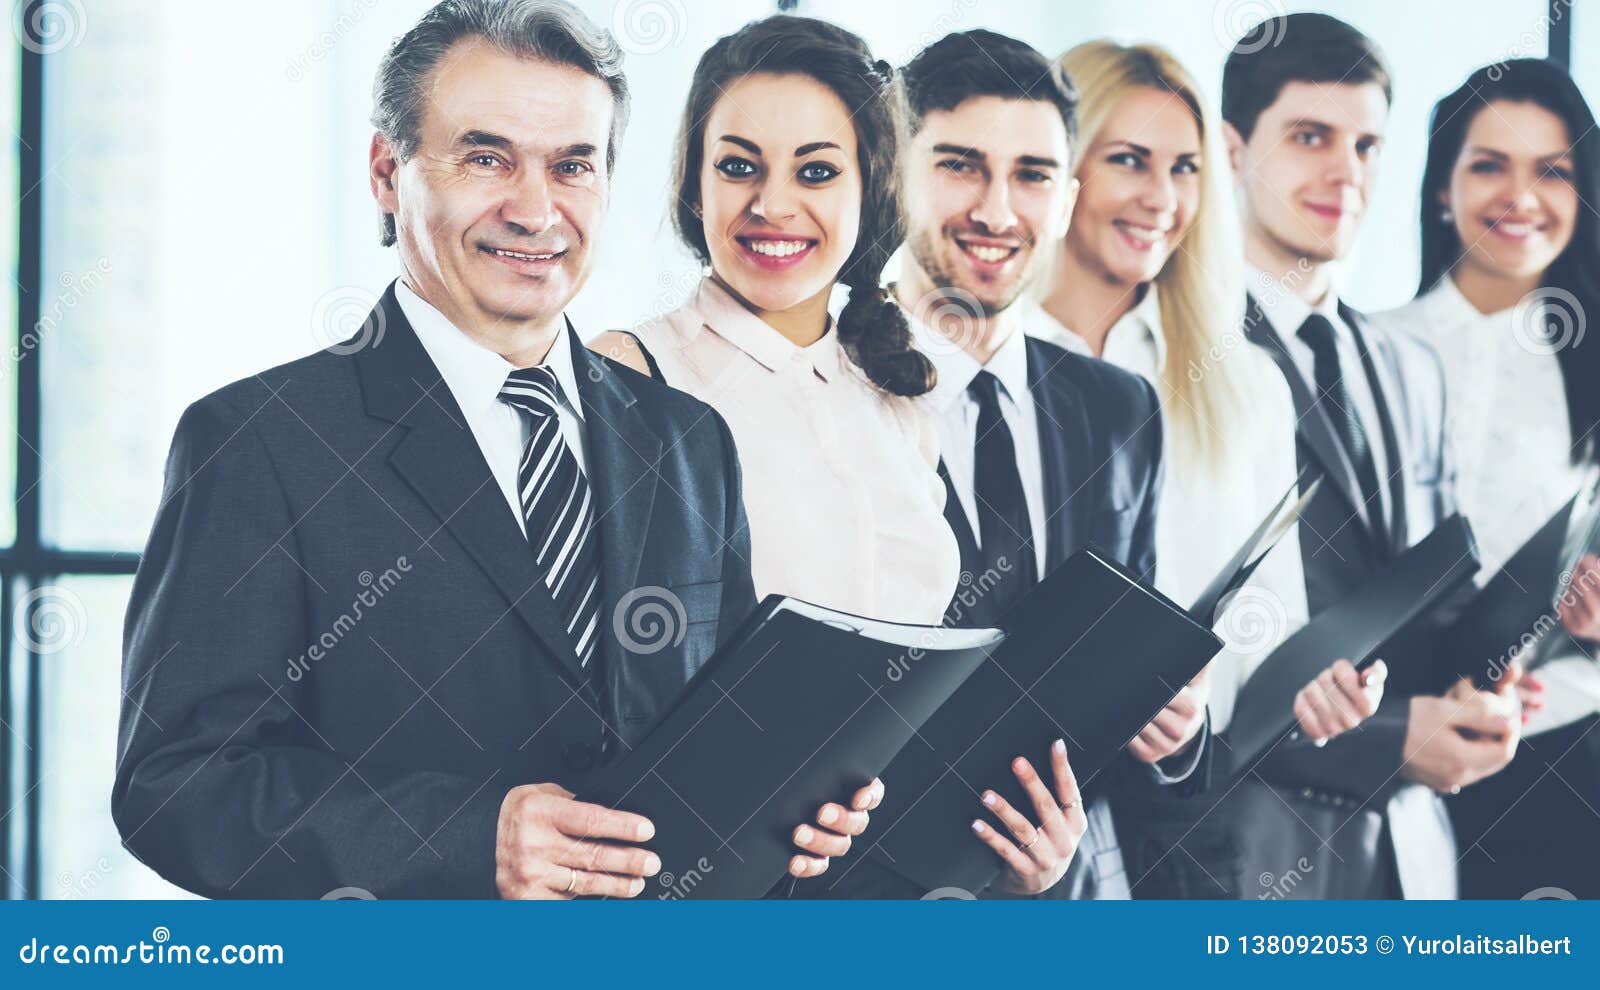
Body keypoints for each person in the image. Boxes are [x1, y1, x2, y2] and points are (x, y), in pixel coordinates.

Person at [113, 0, 878, 900]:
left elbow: (727, 735)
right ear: (386, 171)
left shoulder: (686, 439)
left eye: (572, 166)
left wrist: (793, 803)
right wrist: (471, 839)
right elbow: (178, 788)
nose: (535, 208)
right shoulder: (260, 441)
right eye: (487, 157)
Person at [591, 16, 1088, 897]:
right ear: (693, 188)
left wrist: (1019, 851)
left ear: (872, 192)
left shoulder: (899, 398)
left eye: (816, 171)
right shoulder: (629, 374)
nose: (773, 206)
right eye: (738, 166)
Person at [1028, 39, 1385, 899]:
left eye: (1185, 167)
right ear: (1062, 169)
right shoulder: (986, 364)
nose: (1162, 197)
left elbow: (1264, 647)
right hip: (1007, 814)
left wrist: (1318, 688)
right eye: (1128, 161)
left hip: (1181, 828)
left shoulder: (1245, 383)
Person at [1220, 12, 1524, 898]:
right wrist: (1395, 736)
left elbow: (1430, 598)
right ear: (1234, 150)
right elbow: (1201, 662)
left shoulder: (1407, 367)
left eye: (1366, 145)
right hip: (1251, 853)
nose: (1345, 173)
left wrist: (1488, 691)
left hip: (1412, 856)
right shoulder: (1177, 358)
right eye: (1311, 137)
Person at [1372, 58, 1600, 899]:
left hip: (1562, 761)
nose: (1521, 196)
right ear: (1442, 186)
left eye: (1554, 171)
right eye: (1489, 165)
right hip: (1382, 755)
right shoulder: (1365, 349)